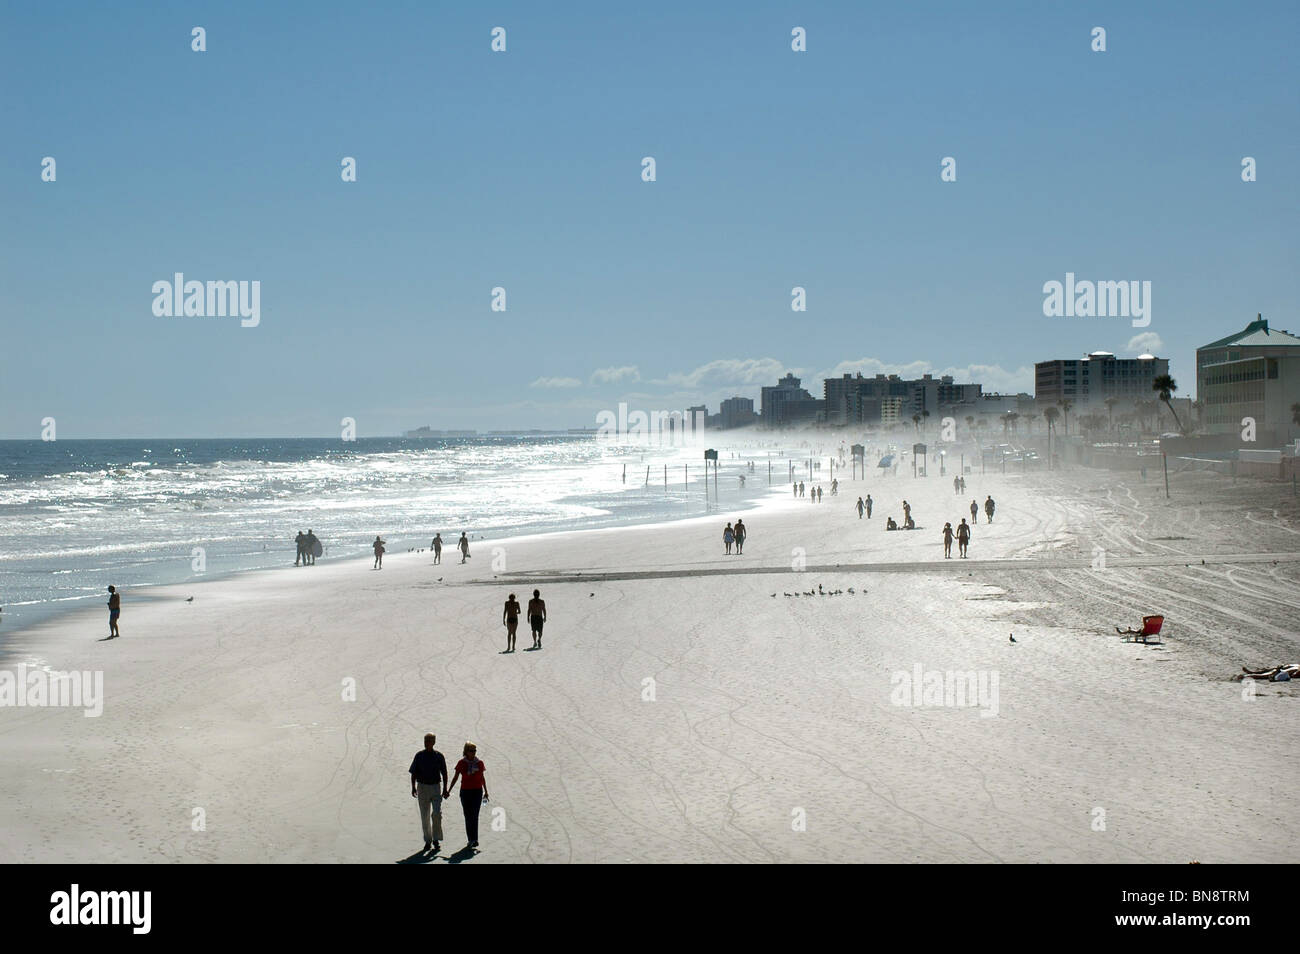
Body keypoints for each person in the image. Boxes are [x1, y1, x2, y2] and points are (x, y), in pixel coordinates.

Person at [409, 733, 449, 853]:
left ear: (434, 742)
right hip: (422, 787)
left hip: (436, 787)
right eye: (425, 740)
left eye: (429, 740)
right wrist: (413, 787)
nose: (426, 742)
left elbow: (444, 773)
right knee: (424, 815)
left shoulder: (439, 756)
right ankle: (428, 840)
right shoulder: (419, 755)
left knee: (437, 813)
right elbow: (413, 772)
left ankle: (436, 839)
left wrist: (445, 789)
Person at [445, 741, 489, 849]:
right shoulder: (461, 763)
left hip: (477, 792)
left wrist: (486, 791)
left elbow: (482, 778)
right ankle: (471, 839)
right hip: (465, 792)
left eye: (475, 750)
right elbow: (456, 777)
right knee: (468, 816)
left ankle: (474, 839)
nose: (473, 752)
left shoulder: (479, 763)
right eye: (471, 750)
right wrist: (449, 790)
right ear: (466, 751)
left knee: (475, 815)